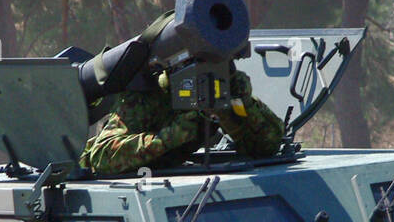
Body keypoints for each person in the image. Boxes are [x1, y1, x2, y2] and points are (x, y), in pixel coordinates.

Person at [81, 68, 284, 175]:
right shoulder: (146, 96)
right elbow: (101, 157)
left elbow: (268, 146)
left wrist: (243, 107)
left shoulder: (219, 87)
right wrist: (170, 136)